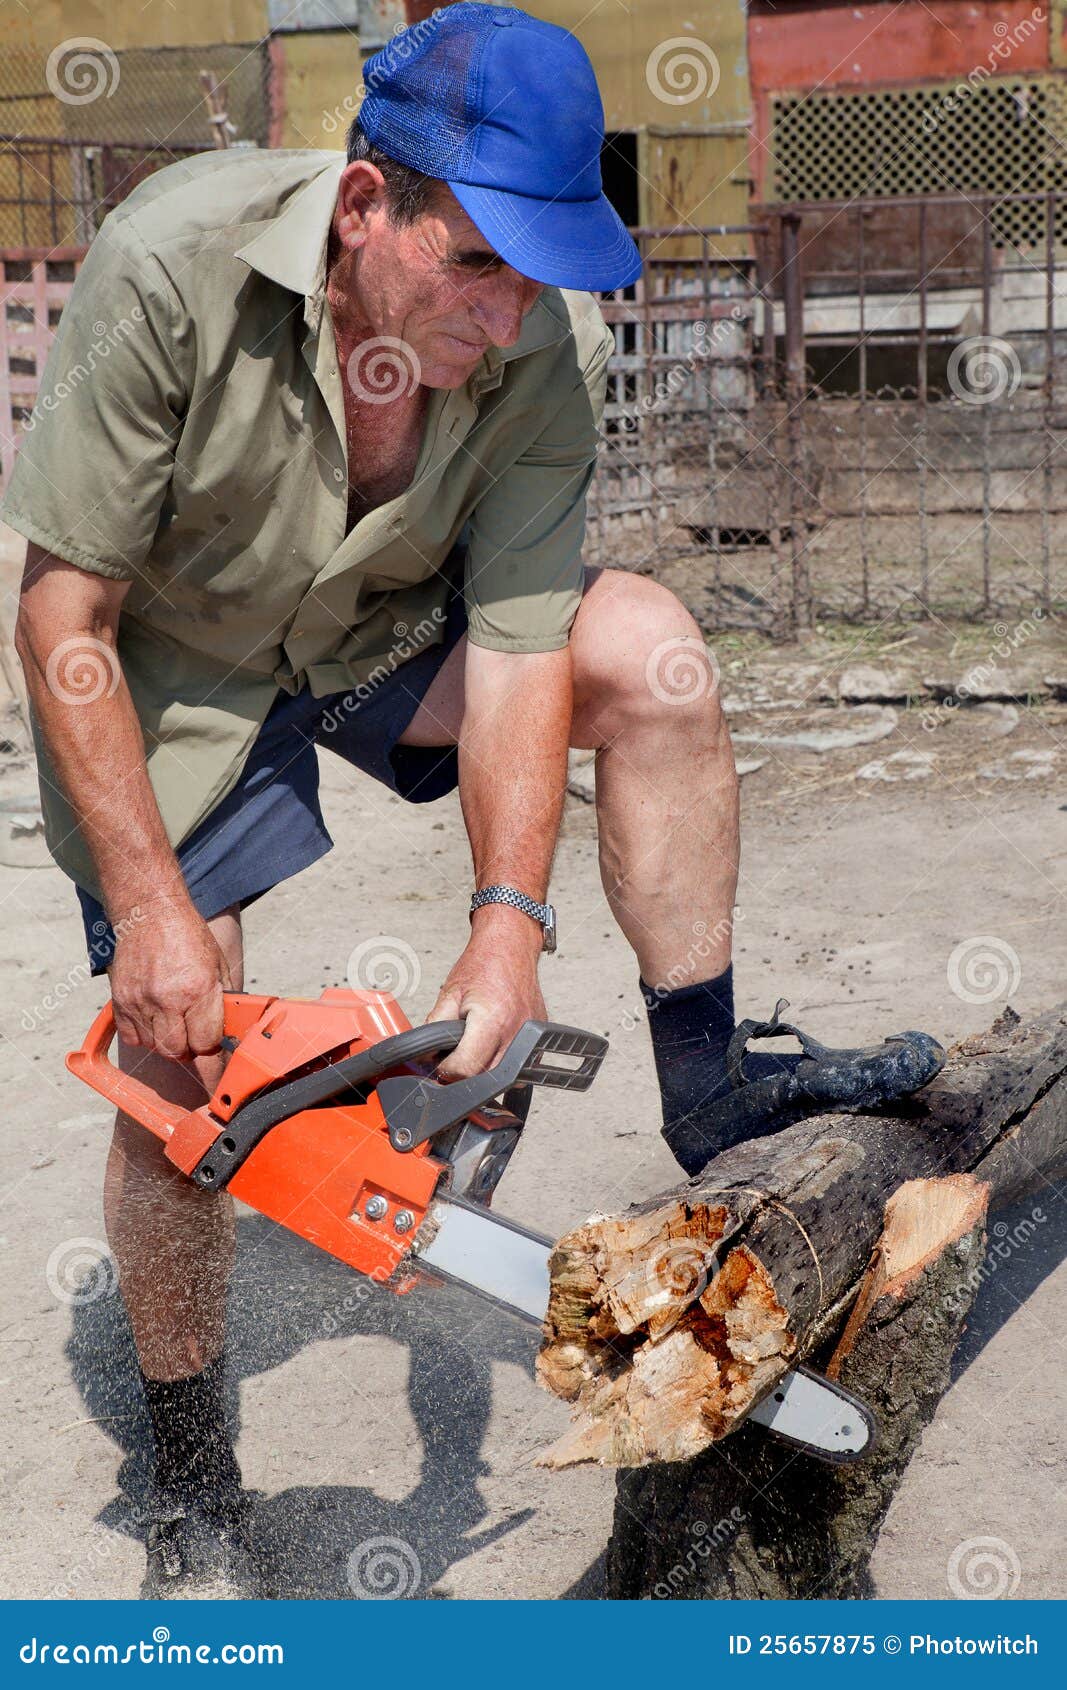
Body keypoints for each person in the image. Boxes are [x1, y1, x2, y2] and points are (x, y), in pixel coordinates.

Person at [5, 4, 941, 1598]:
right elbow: (61, 619)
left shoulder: (539, 348)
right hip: (183, 661)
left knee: (647, 656)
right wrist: (155, 909)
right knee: (184, 1029)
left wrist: (507, 926)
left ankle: (710, 1089)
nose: (505, 323)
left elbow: (518, 650)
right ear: (367, 206)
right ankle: (189, 1474)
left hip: (378, 637)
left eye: (539, 275)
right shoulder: (171, 266)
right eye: (477, 269)